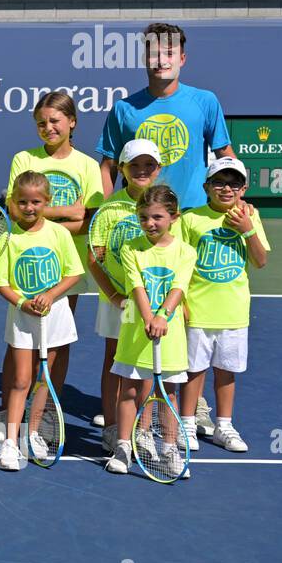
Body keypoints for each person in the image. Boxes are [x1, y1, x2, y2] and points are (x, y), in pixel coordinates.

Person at [3, 91, 104, 420]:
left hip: (64, 272)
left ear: (72, 122)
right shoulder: (23, 159)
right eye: (41, 123)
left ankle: (45, 413)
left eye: (55, 121)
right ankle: (10, 412)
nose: (48, 128)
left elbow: (87, 221)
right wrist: (62, 212)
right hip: (21, 269)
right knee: (20, 347)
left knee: (56, 347)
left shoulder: (87, 165)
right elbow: (16, 212)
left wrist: (48, 223)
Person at [0, 171, 84, 472]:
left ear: (47, 201)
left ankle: (33, 433)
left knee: (44, 377)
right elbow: (0, 283)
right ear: (13, 203)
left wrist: (50, 294)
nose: (29, 208)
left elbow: (73, 273)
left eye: (35, 202)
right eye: (22, 202)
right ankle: (11, 443)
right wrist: (22, 302)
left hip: (54, 314)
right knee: (20, 380)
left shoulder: (60, 234)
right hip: (22, 317)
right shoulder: (8, 237)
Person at [179, 158, 270, 454]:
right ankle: (188, 424)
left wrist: (247, 229)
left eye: (233, 183)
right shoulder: (190, 220)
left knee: (226, 371)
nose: (226, 188)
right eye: (219, 182)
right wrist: (180, 303)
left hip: (234, 312)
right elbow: (179, 265)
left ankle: (224, 426)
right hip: (197, 310)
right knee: (194, 372)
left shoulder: (249, 217)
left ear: (243, 189)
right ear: (207, 187)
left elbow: (260, 260)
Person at [97, 23, 234, 211]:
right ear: (145, 58)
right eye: (154, 54)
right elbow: (108, 166)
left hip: (193, 214)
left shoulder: (205, 101)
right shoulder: (123, 109)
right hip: (140, 216)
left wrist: (240, 201)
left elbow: (225, 156)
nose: (161, 61)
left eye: (169, 53)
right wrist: (100, 210)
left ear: (182, 59)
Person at [106, 185, 194, 476]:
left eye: (157, 217)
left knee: (168, 393)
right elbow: (136, 285)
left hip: (170, 333)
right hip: (136, 329)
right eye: (143, 217)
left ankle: (169, 450)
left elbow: (179, 287)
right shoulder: (132, 248)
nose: (150, 224)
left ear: (173, 217)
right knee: (129, 390)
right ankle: (123, 447)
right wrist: (148, 318)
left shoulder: (186, 252)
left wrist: (163, 316)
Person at [87, 139, 162, 454]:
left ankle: (143, 429)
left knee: (144, 362)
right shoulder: (109, 208)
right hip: (120, 301)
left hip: (154, 300)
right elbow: (95, 258)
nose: (142, 171)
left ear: (158, 169)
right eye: (135, 165)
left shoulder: (166, 205)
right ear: (122, 169)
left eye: (148, 165)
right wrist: (115, 296)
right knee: (114, 359)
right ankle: (114, 426)